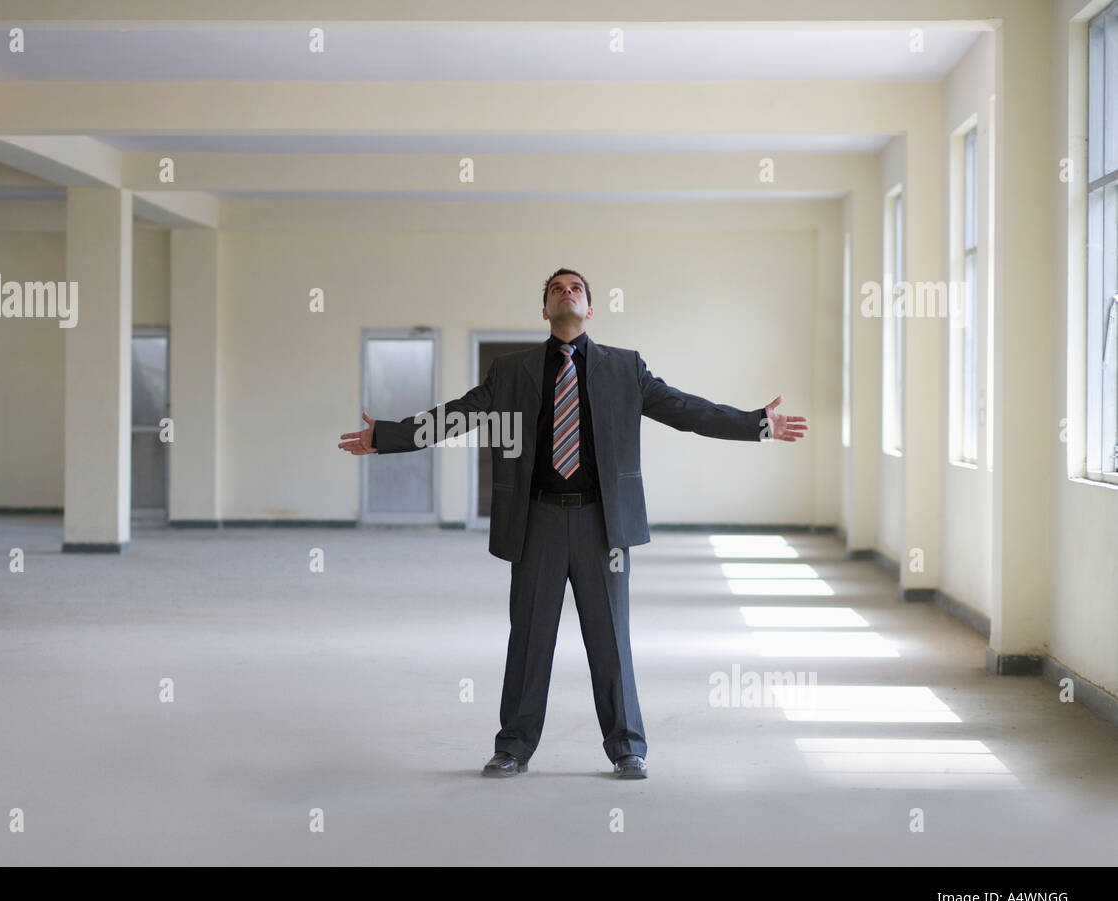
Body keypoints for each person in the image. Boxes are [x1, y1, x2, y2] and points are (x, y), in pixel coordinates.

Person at [338, 268, 807, 780]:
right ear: (545, 309)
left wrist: (755, 423)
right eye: (556, 289)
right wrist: (388, 436)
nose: (567, 293)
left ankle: (627, 747)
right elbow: (459, 415)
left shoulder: (624, 368)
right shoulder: (512, 370)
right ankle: (513, 747)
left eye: (576, 288)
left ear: (590, 309)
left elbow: (685, 411)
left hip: (602, 525)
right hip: (536, 520)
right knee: (529, 639)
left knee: (611, 640)